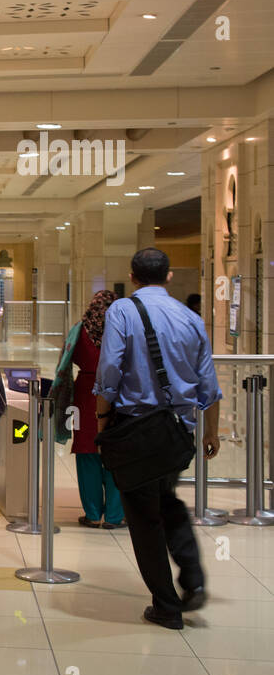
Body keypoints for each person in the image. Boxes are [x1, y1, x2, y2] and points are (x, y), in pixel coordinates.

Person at [95, 248, 222, 630]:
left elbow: (110, 370)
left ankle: (166, 605)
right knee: (166, 498)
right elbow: (209, 385)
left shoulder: (122, 311)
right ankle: (193, 577)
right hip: (176, 433)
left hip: (136, 429)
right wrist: (211, 431)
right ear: (168, 277)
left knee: (144, 517)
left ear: (132, 277)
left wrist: (102, 422)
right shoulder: (191, 317)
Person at [54, 290, 124, 529]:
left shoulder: (80, 330)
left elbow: (66, 358)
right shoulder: (122, 330)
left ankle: (93, 514)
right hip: (117, 391)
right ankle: (114, 516)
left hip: (85, 392)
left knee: (87, 450)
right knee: (116, 452)